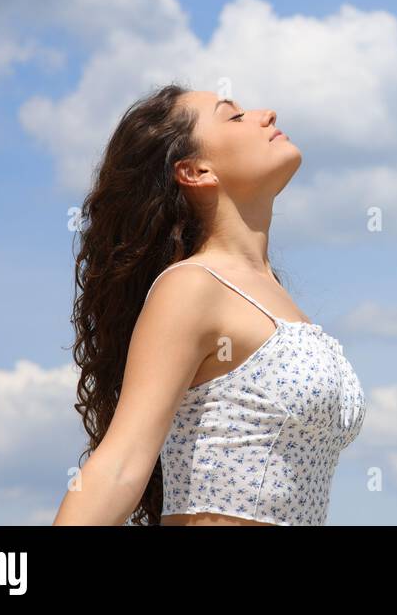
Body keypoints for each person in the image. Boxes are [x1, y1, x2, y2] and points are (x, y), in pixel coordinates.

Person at [52, 82, 365, 526]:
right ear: (196, 171)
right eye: (234, 116)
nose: (267, 114)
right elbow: (120, 466)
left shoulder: (275, 296)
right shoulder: (192, 287)